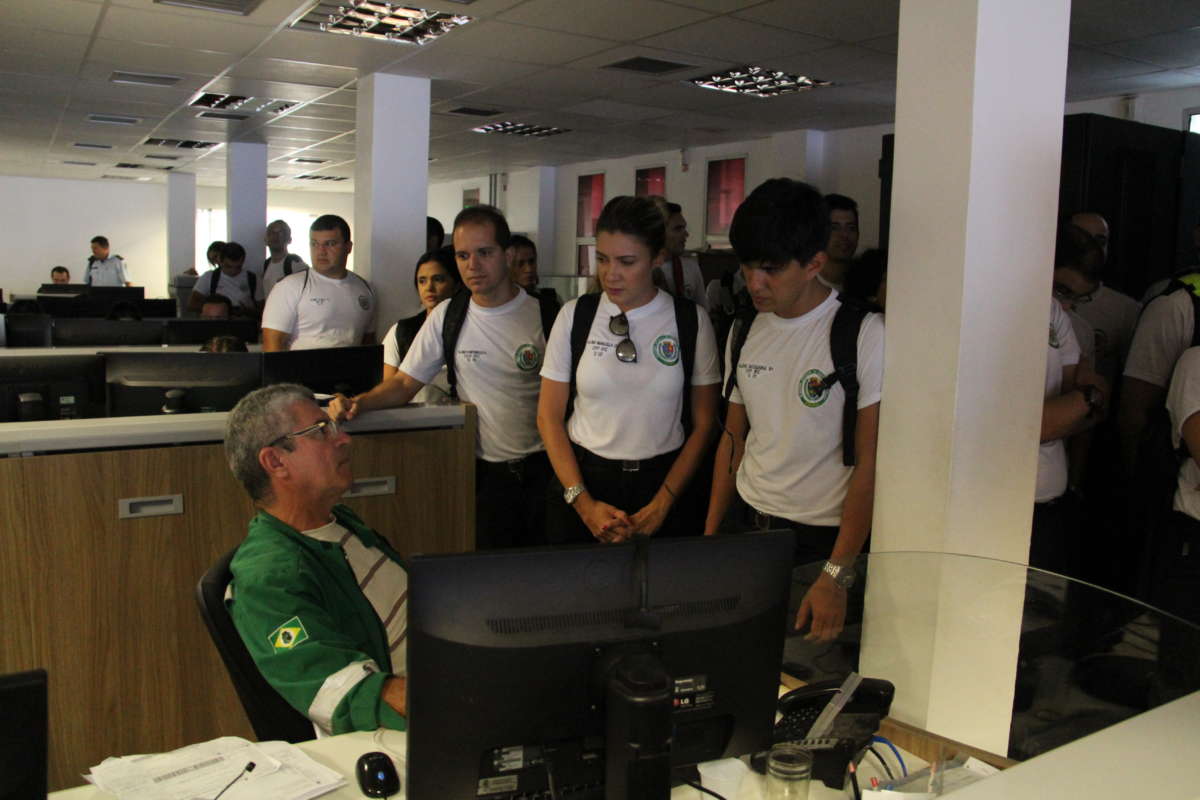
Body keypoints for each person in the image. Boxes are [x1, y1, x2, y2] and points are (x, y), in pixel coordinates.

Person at [702, 179, 884, 643]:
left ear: (814, 264)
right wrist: (708, 542)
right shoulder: (743, 330)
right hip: (746, 530)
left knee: (806, 681)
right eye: (746, 267)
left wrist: (837, 574)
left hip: (819, 544)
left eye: (770, 269)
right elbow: (733, 440)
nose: (754, 283)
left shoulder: (863, 333)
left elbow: (871, 464)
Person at [329, 205, 550, 550]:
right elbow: (404, 384)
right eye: (463, 255)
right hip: (482, 473)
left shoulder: (546, 315)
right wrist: (358, 403)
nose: (472, 265)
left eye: (484, 253)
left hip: (545, 471)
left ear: (507, 255)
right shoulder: (449, 316)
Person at [224, 383, 408, 736]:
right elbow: (349, 696)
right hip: (402, 735)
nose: (343, 440)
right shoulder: (268, 577)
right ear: (276, 461)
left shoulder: (338, 522)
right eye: (321, 431)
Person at [537, 196, 720, 544]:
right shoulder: (576, 316)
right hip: (585, 479)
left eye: (627, 261)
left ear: (658, 259)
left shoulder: (689, 321)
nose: (611, 274)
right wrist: (583, 503)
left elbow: (705, 424)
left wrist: (663, 502)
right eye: (603, 259)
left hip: (665, 481)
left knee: (665, 595)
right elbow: (548, 417)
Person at [261, 215, 376, 352]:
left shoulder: (364, 289)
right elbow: (272, 345)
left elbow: (368, 343)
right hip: (299, 372)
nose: (321, 252)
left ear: (348, 247)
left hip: (351, 372)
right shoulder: (289, 287)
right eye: (314, 244)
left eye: (330, 244)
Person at [1067, 212, 1140, 386]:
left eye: (1099, 241)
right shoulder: (1038, 301)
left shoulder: (1125, 309)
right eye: (1080, 239)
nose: (1090, 248)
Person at [381, 246, 459, 403]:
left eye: (438, 279)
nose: (429, 288)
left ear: (456, 283)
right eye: (422, 281)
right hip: (413, 418)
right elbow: (388, 385)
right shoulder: (401, 331)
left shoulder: (469, 326)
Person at [658, 202, 710, 310]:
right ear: (658, 232)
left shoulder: (691, 267)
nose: (686, 234)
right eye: (677, 229)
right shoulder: (642, 270)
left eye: (684, 228)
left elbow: (703, 312)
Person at [188, 242, 262, 317]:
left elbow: (262, 308)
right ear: (220, 261)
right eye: (228, 266)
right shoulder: (209, 277)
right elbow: (192, 304)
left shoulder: (253, 278)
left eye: (238, 267)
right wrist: (217, 309)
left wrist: (248, 311)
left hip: (244, 323)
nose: (233, 271)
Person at [508, 234, 561, 308]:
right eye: (520, 263)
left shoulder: (550, 299)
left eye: (531, 261)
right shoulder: (500, 302)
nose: (529, 269)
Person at [820, 194, 860, 290]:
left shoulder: (864, 282)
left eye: (851, 228)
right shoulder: (803, 283)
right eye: (835, 228)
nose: (844, 235)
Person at [262, 220, 308, 297]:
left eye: (281, 233)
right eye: (271, 233)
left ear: (289, 239)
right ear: (266, 239)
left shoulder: (295, 263)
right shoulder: (266, 264)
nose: (276, 236)